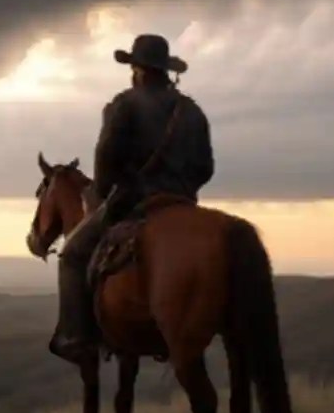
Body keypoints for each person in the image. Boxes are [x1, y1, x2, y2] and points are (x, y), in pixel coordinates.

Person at [48, 34, 216, 363]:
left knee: (71, 255)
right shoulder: (192, 111)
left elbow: (105, 161)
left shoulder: (123, 104)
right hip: (182, 202)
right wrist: (182, 191)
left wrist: (109, 193)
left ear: (137, 69)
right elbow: (206, 168)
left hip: (133, 201)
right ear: (166, 70)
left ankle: (77, 336)